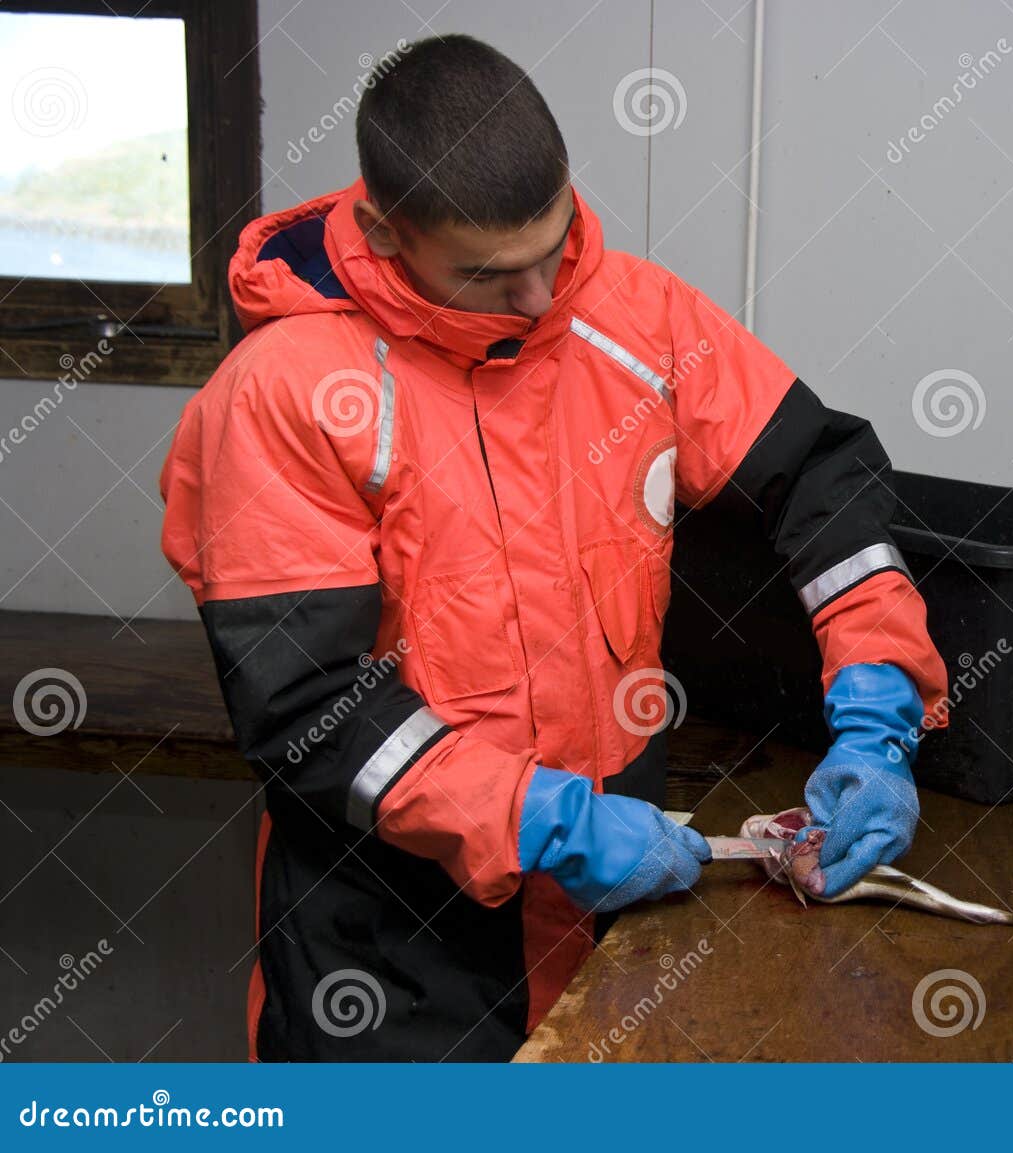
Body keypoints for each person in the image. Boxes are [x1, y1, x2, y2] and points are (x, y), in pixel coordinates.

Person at [159, 33, 946, 1061]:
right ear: (385, 233)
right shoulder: (284, 395)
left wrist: (878, 705)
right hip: (394, 927)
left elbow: (821, 476)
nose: (540, 301)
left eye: (556, 245)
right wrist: (540, 823)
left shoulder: (634, 314)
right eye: (490, 275)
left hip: (621, 884)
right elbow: (308, 710)